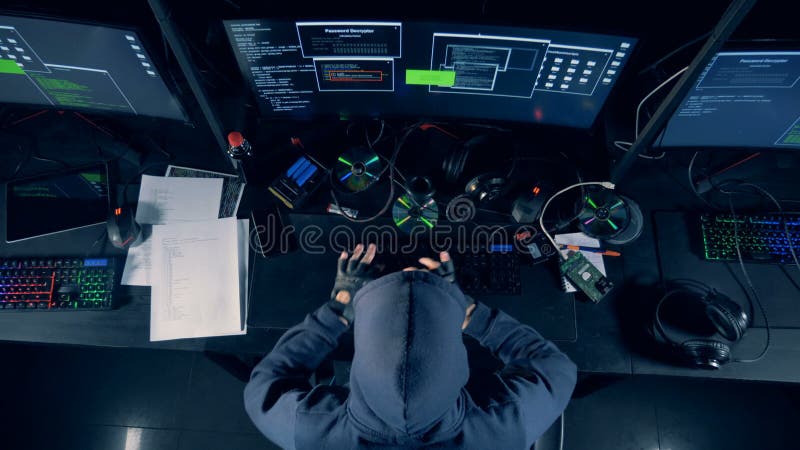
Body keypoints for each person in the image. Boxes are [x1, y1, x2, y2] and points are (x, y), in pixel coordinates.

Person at [244, 243, 577, 449]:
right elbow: (556, 369)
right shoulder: (500, 427)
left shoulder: (316, 433)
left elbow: (263, 388)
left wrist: (338, 308)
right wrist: (469, 311)